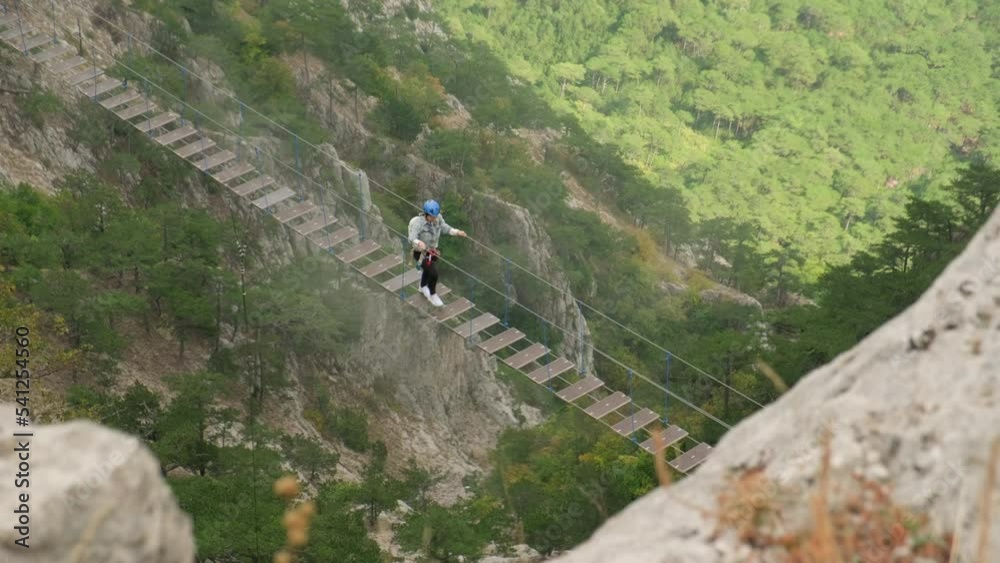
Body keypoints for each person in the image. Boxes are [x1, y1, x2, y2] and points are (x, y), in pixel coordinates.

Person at [408, 199, 467, 307]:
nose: (434, 218)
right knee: (433, 273)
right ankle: (433, 294)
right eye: (432, 216)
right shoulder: (418, 223)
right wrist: (419, 242)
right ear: (426, 214)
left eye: (435, 216)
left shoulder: (438, 218)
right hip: (420, 252)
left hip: (432, 252)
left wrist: (457, 232)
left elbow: (445, 228)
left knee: (427, 270)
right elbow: (412, 237)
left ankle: (422, 287)